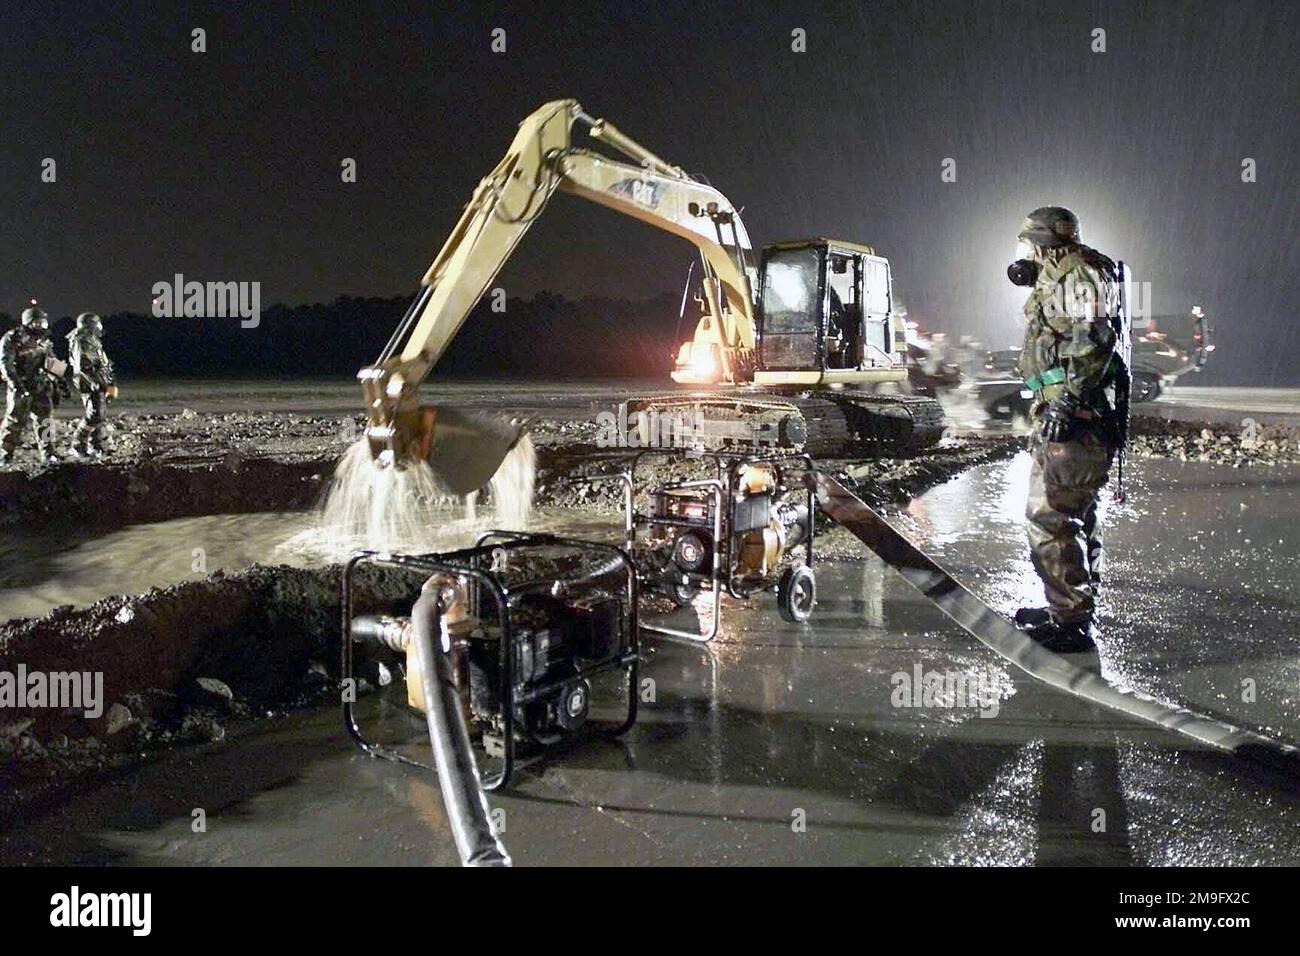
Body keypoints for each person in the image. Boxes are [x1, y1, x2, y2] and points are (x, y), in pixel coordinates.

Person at [1006, 206, 1123, 651]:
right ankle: (1071, 605)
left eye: (1028, 244)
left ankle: (1072, 620)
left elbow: (1094, 338)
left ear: (1042, 240)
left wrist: (1070, 402)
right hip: (1066, 412)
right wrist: (1032, 272)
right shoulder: (1061, 272)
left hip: (1078, 418)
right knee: (1074, 514)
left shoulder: (1079, 275)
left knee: (1049, 518)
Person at [0, 306, 62, 464]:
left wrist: (59, 380)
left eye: (43, 323)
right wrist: (16, 385)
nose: (41, 326)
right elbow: (5, 363)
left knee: (45, 420)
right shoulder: (12, 338)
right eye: (37, 323)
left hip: (40, 386)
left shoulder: (44, 341)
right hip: (20, 385)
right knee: (15, 421)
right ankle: (4, 453)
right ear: (28, 323)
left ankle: (49, 454)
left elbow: (51, 363)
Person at [66, 312, 117, 458]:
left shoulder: (92, 339)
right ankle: (78, 443)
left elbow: (102, 361)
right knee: (95, 414)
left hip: (98, 379)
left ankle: (95, 445)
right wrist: (97, 382)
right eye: (97, 324)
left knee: (100, 413)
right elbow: (83, 365)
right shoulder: (81, 340)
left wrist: (109, 382)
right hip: (89, 381)